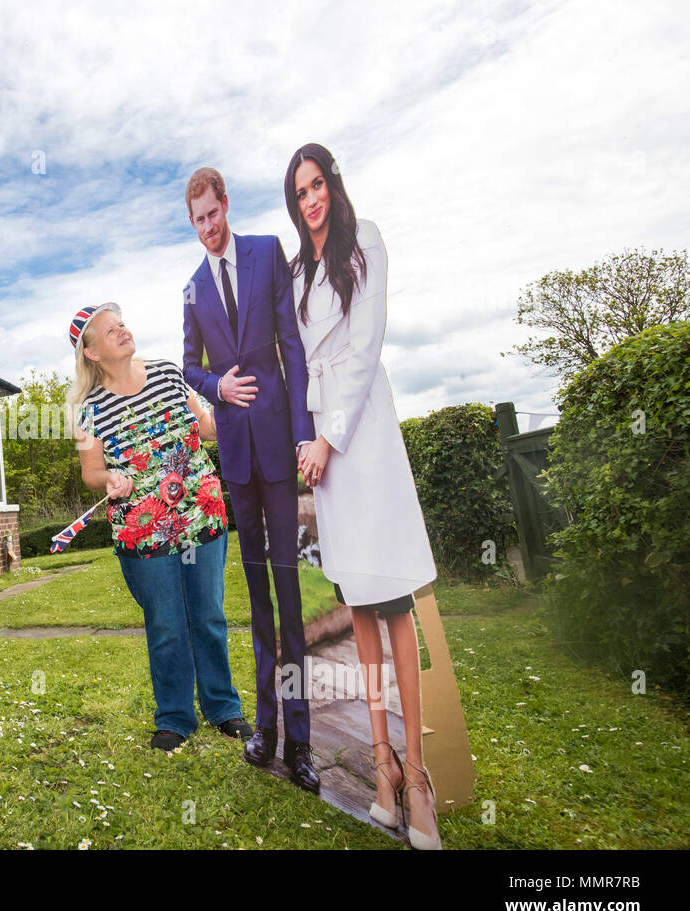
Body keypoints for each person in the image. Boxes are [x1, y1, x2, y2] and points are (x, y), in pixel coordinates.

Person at [285, 142, 441, 849]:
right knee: (362, 612)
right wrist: (303, 441)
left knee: (394, 606)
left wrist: (328, 438)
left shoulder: (363, 241)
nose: (311, 199)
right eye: (300, 193)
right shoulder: (297, 273)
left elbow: (367, 344)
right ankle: (381, 773)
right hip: (323, 450)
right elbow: (296, 364)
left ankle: (420, 778)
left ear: (332, 186)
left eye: (317, 185)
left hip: (364, 439)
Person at [181, 167, 320, 792]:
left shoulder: (267, 252)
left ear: (226, 206)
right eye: (198, 221)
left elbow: (291, 343)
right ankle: (264, 727)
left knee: (290, 598)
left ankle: (302, 740)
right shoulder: (191, 290)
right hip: (235, 453)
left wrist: (301, 430)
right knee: (258, 598)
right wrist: (216, 386)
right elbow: (190, 365)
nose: (209, 228)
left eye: (214, 214)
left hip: (278, 445)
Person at [69, 302, 252, 752]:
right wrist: (107, 478)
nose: (123, 332)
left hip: (200, 511)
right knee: (166, 624)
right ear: (91, 353)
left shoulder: (169, 373)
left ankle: (224, 709)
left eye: (122, 324)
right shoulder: (85, 410)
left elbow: (206, 427)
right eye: (110, 331)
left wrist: (228, 400)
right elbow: (90, 472)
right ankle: (174, 718)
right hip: (142, 529)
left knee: (208, 614)